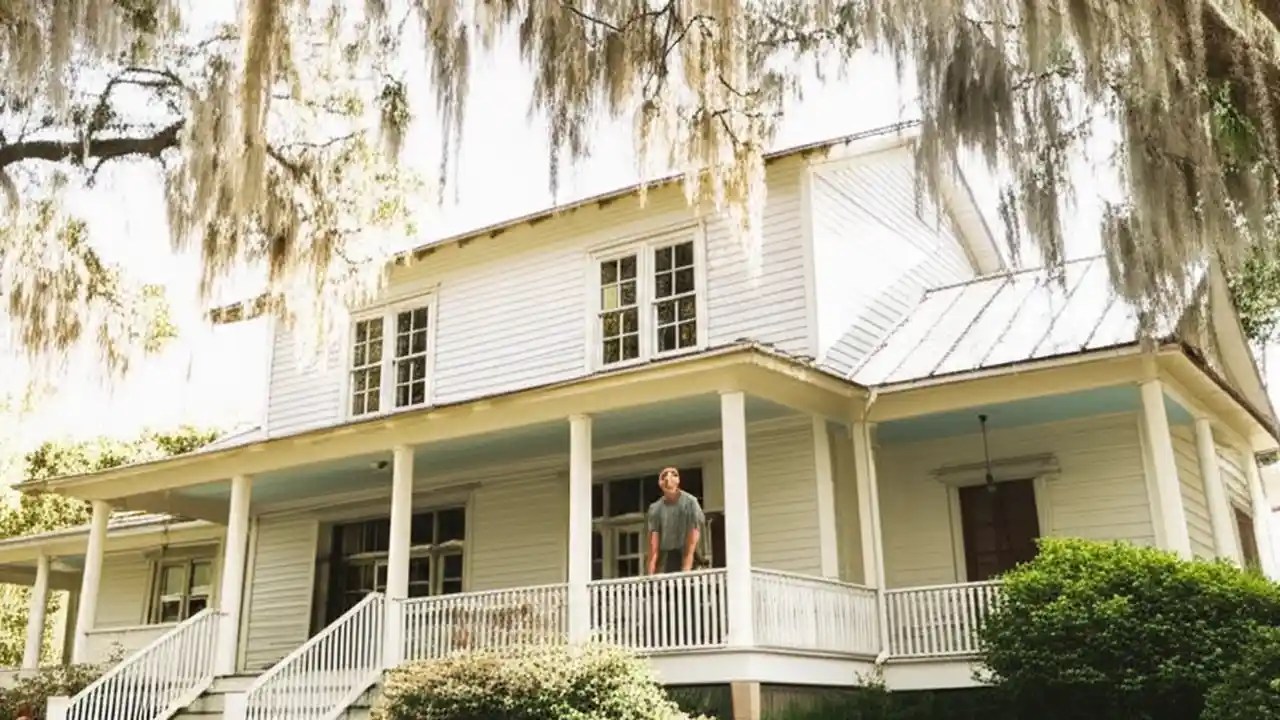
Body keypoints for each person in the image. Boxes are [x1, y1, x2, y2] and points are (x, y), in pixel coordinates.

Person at [646, 466, 705, 574]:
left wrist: (686, 569)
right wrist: (651, 574)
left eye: (673, 474)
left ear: (678, 480)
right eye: (664, 476)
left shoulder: (690, 502)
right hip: (668, 557)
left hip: (691, 555)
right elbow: (653, 543)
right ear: (660, 483)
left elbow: (693, 537)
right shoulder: (655, 509)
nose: (669, 478)